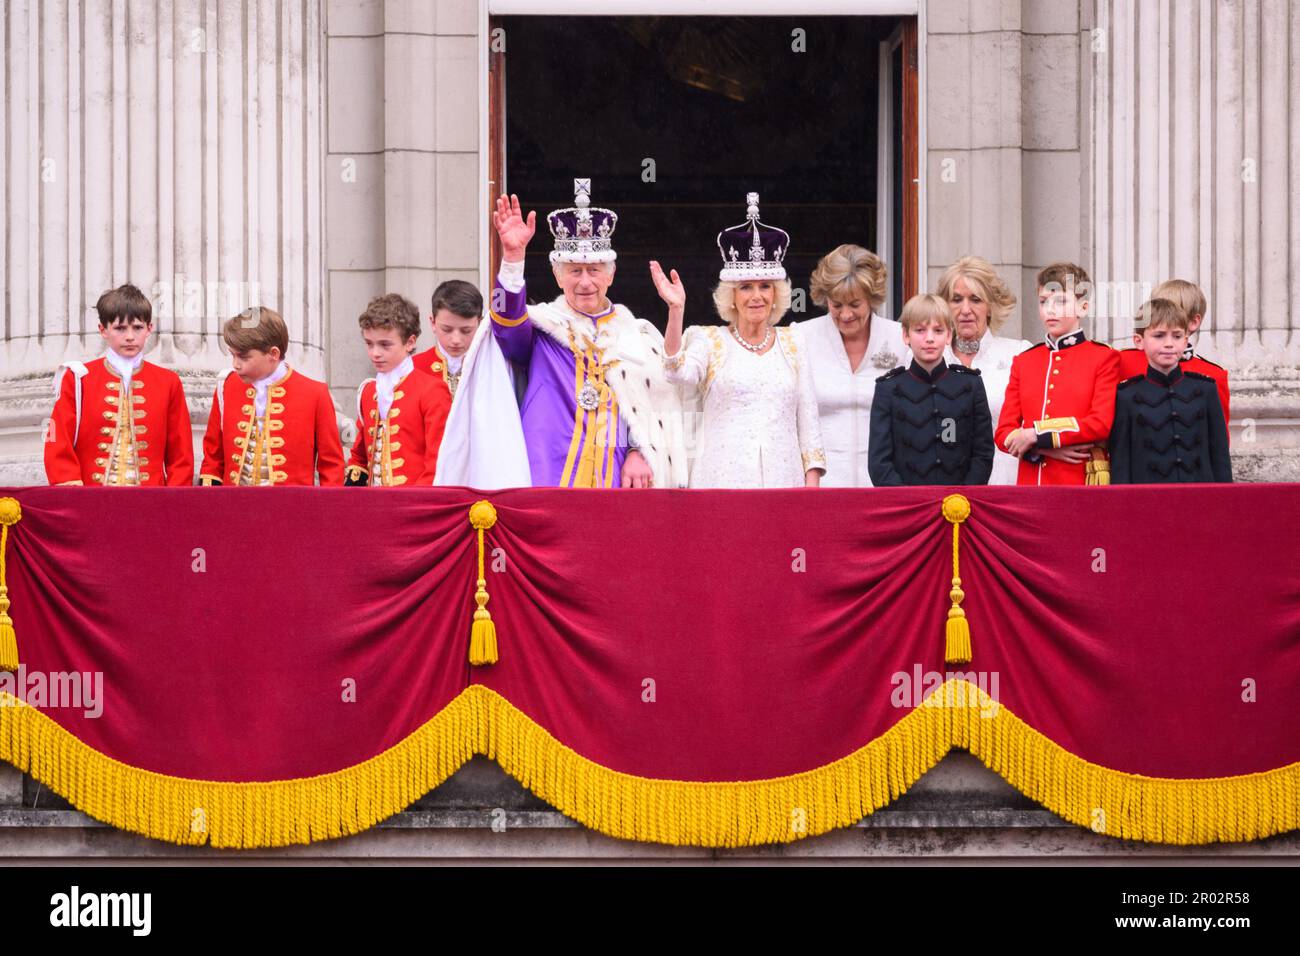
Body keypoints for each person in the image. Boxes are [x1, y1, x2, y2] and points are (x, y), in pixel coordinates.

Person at [472, 180, 686, 489]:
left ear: (610, 275)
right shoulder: (542, 330)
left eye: (594, 270)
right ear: (558, 276)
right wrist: (513, 258)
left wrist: (640, 451)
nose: (585, 281)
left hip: (615, 476)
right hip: (546, 473)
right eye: (574, 271)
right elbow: (504, 321)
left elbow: (656, 404)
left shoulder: (635, 336)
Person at [659, 192, 825, 488]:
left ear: (776, 294)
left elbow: (808, 419)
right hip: (720, 482)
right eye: (746, 287)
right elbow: (675, 372)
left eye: (765, 286)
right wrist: (676, 311)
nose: (757, 296)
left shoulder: (794, 342)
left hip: (784, 483)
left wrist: (811, 485)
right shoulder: (709, 339)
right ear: (732, 295)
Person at [44, 283, 193, 487]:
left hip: (151, 505)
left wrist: (172, 504)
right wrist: (73, 495)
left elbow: (181, 454)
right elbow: (57, 440)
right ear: (103, 330)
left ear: (150, 329)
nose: (130, 336)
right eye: (120, 328)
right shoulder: (77, 379)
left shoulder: (169, 382)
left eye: (138, 327)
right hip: (92, 503)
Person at [995, 262, 1121, 485]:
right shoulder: (1024, 361)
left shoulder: (1103, 357)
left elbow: (1099, 423)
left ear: (1083, 307)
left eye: (1061, 301)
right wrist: (1043, 449)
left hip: (1079, 484)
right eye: (1044, 302)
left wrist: (1036, 434)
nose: (1050, 310)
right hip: (1031, 485)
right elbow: (1004, 433)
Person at [793, 244, 903, 487]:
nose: (845, 315)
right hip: (821, 485)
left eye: (855, 304)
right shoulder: (801, 337)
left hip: (886, 485)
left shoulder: (900, 338)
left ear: (873, 299)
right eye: (836, 305)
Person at [199, 307, 344, 486]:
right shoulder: (226, 386)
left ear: (273, 354)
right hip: (234, 509)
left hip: (291, 511)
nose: (235, 364)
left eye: (244, 357)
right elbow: (213, 458)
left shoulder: (315, 394)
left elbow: (331, 467)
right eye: (233, 355)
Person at [868, 293, 993, 486]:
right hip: (907, 508)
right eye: (920, 330)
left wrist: (963, 498)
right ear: (905, 335)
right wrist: (910, 502)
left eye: (938, 330)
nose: (929, 339)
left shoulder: (971, 385)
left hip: (961, 505)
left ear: (949, 335)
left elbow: (982, 453)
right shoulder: (888, 389)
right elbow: (879, 463)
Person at [1109, 298, 1231, 484]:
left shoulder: (1206, 389)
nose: (1169, 344)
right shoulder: (1126, 395)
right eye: (1159, 336)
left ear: (1185, 340)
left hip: (1201, 499)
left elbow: (1220, 456)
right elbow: (1121, 462)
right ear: (1139, 341)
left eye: (1176, 336)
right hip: (1147, 503)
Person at [936, 256, 1031, 485]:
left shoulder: (1018, 354)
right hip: (943, 485)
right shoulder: (927, 358)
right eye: (956, 300)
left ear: (991, 306)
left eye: (975, 299)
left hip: (1004, 483)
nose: (965, 309)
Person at [344, 294, 451, 487]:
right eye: (369, 343)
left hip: (413, 508)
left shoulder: (432, 390)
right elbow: (360, 457)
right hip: (373, 508)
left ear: (410, 342)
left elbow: (437, 463)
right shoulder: (368, 392)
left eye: (385, 344)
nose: (375, 353)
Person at [1117, 278, 1230, 426]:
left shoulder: (1213, 375)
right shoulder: (1122, 361)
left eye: (1173, 311)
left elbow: (1217, 436)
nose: (1164, 315)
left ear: (1194, 322)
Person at [413, 280, 482, 400]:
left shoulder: (489, 368)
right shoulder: (413, 368)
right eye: (447, 329)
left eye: (466, 331)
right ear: (432, 322)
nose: (456, 340)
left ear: (480, 323)